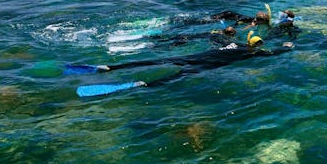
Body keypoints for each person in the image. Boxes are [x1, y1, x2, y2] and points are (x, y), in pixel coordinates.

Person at [70, 39, 294, 91]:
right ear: (257, 46)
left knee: (152, 61)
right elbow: (272, 53)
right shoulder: (251, 54)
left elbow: (217, 40)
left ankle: (109, 68)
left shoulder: (234, 43)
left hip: (195, 55)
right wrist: (287, 47)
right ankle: (142, 84)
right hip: (205, 66)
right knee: (178, 76)